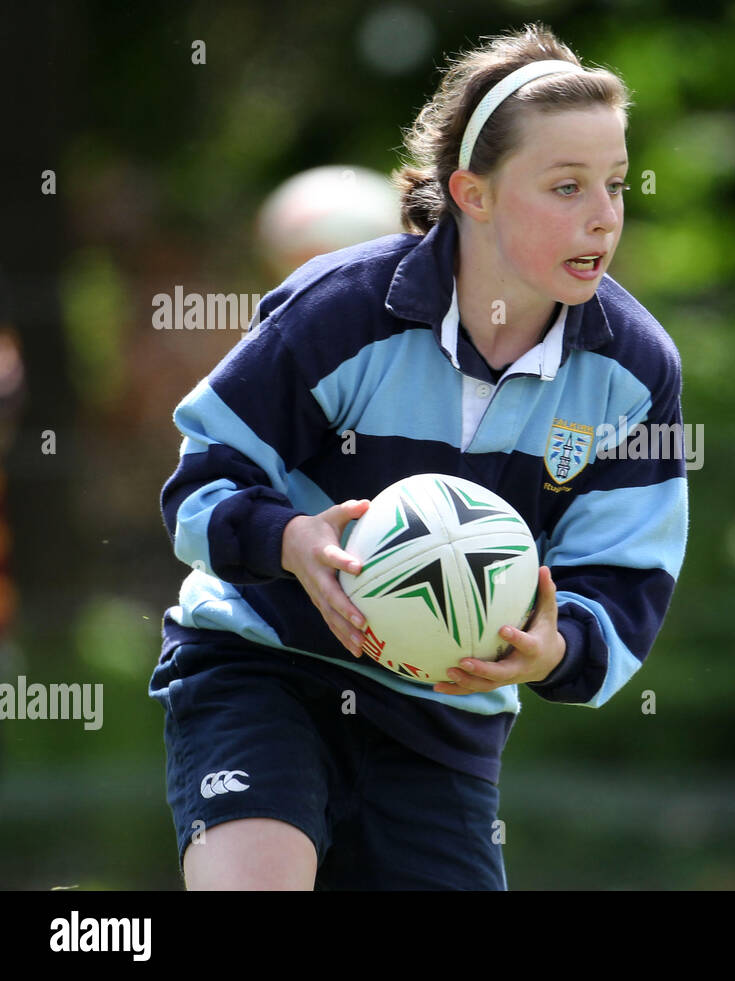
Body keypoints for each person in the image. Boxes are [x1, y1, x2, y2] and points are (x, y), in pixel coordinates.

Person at [148, 23, 688, 890]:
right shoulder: (340, 311)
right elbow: (201, 484)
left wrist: (554, 648)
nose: (604, 215)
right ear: (472, 193)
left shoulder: (632, 370)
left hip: (445, 720)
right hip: (261, 668)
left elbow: (625, 580)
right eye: (566, 186)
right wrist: (292, 542)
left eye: (617, 186)